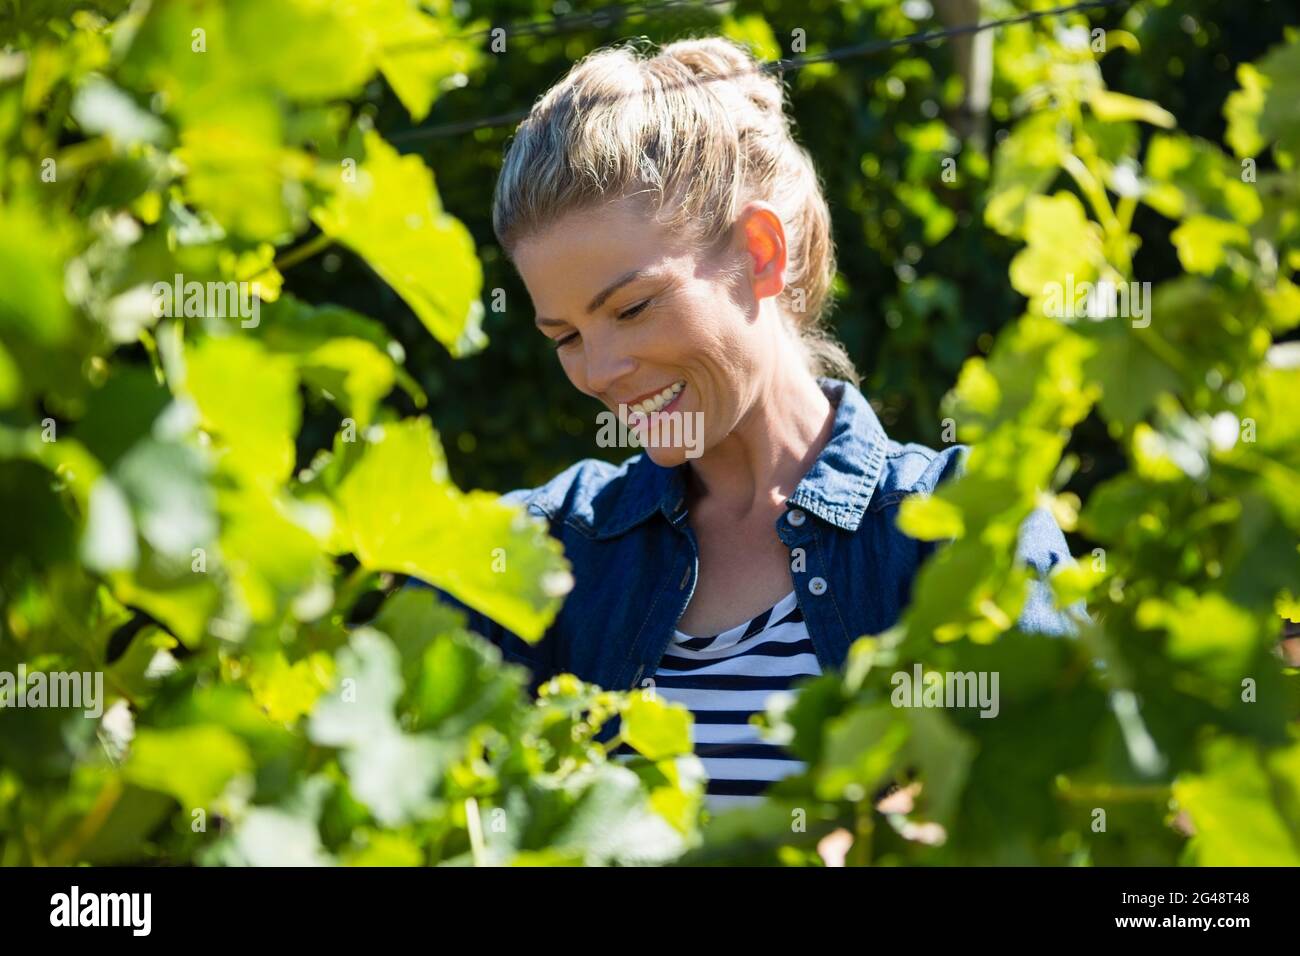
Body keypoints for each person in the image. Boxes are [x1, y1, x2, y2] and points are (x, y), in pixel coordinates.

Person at [413, 36, 1075, 811]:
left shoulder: (964, 521)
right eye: (565, 337)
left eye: (630, 308)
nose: (599, 371)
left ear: (760, 254)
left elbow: (1065, 814)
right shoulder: (542, 547)